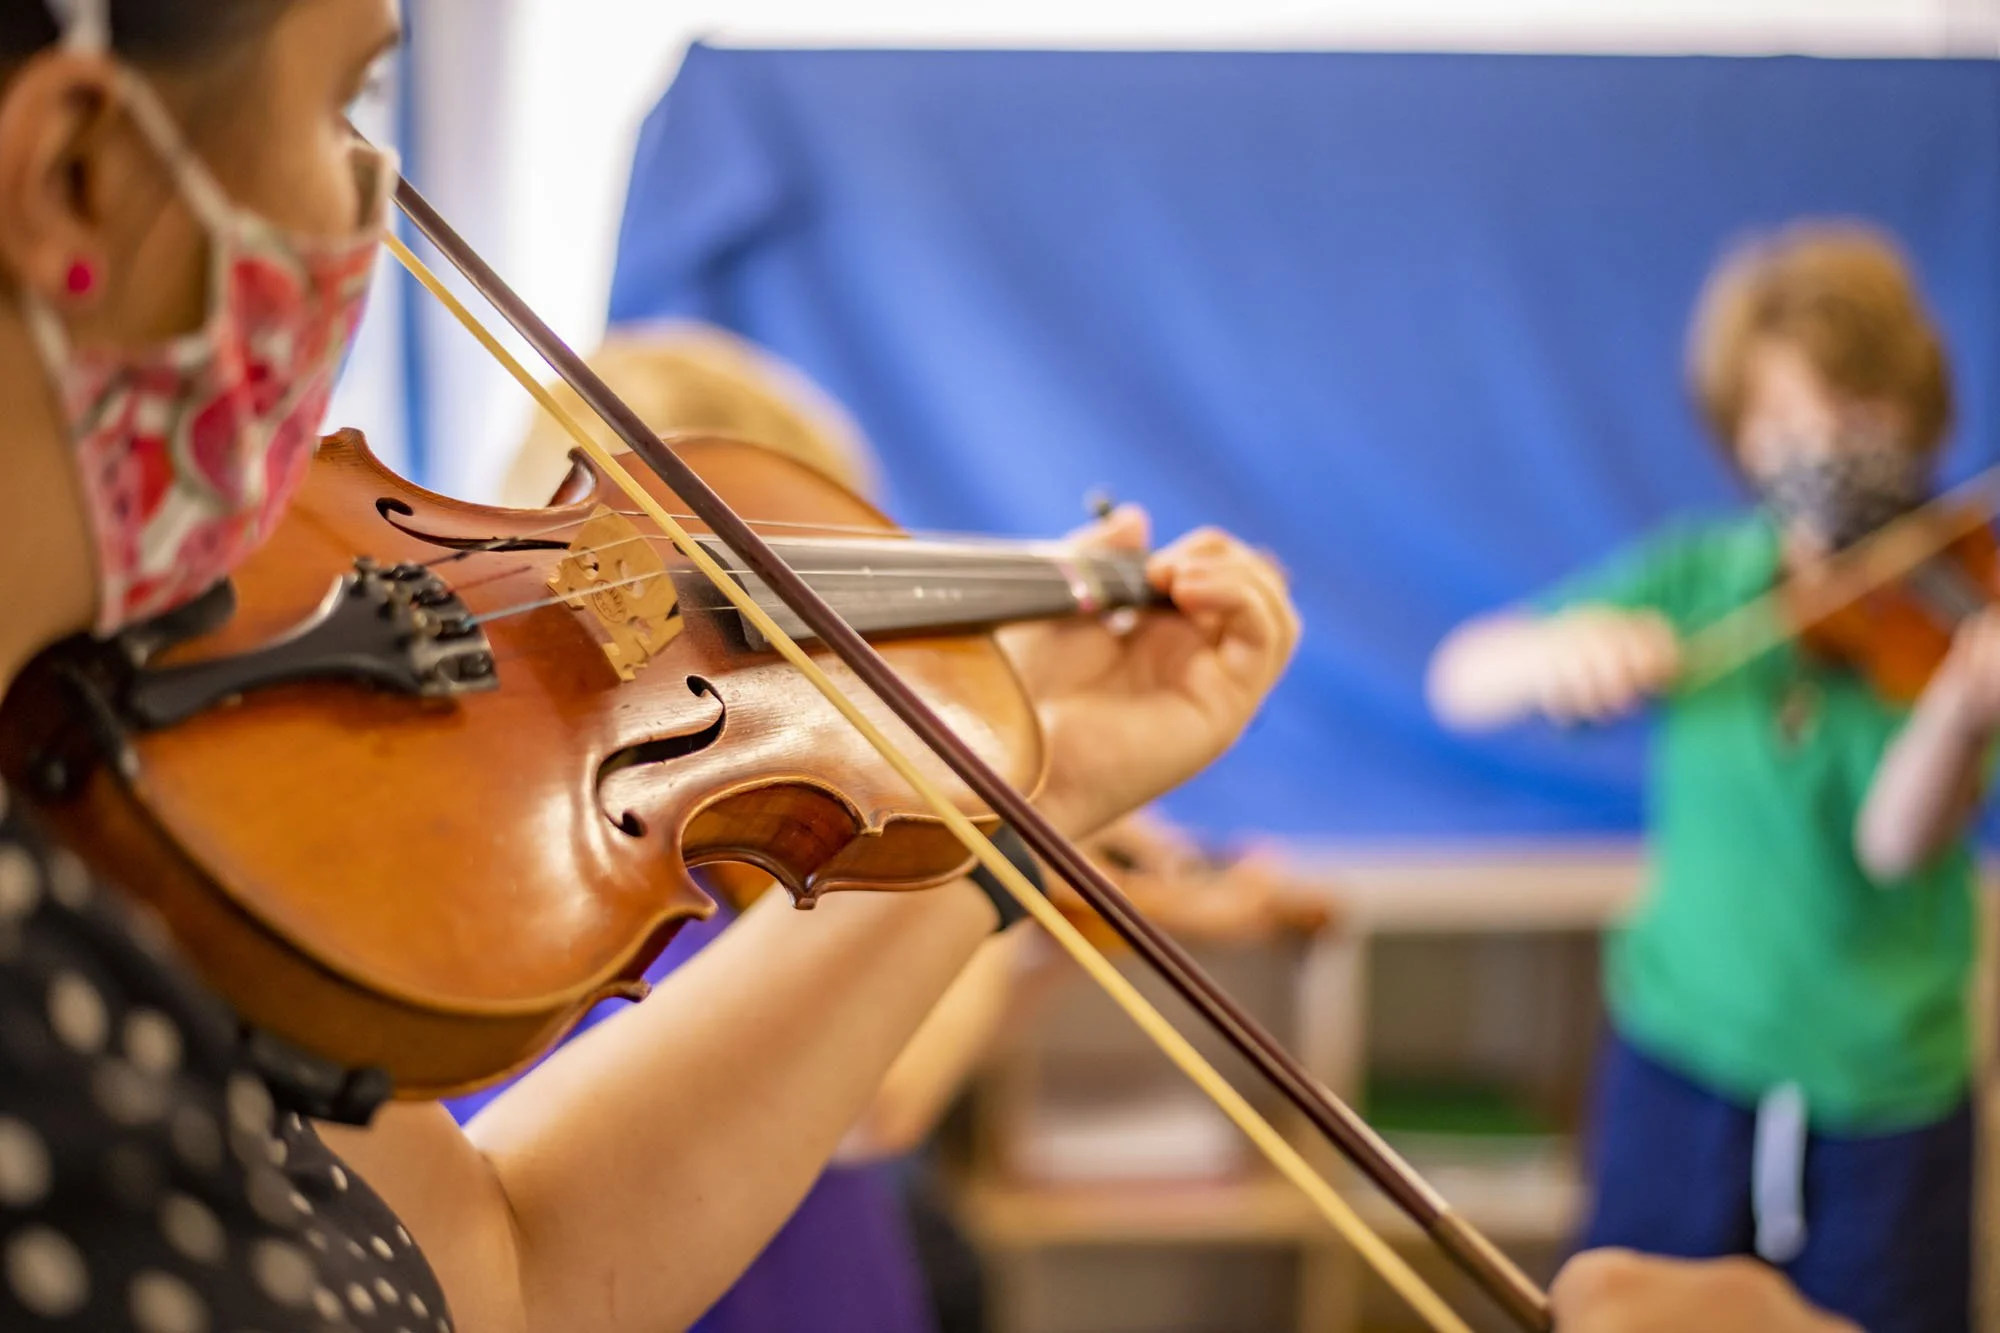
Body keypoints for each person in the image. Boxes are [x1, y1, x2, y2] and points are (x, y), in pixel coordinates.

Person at [0, 5, 1300, 1333]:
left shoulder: (136, 817)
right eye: (348, 105)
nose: (373, 201)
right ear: (75, 177)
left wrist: (1023, 782)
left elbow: (499, 1272)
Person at [483, 322, 1330, 1333]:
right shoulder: (596, 873)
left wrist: (1050, 893)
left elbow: (898, 1020)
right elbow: (878, 1098)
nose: (815, 647)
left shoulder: (753, 832)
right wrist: (1014, 838)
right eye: (748, 604)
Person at [1428, 222, 1992, 1333]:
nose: (1820, 445)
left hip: (1882, 1096)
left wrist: (1961, 713)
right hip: (1680, 1066)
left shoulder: (1949, 620)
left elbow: (1893, 844)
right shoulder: (1699, 577)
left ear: (1916, 415)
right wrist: (1560, 653)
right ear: (1739, 435)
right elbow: (1460, 676)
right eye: (1783, 422)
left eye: (1855, 410)